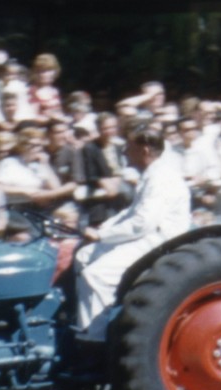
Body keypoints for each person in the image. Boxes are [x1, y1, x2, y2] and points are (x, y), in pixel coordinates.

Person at [73, 125, 188, 336]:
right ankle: (80, 321)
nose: (124, 152)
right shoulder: (151, 174)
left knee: (96, 276)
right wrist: (102, 229)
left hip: (160, 240)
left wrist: (101, 235)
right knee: (83, 255)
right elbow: (132, 211)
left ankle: (94, 340)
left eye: (128, 147)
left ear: (144, 150)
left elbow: (142, 223)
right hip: (147, 235)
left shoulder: (161, 177)